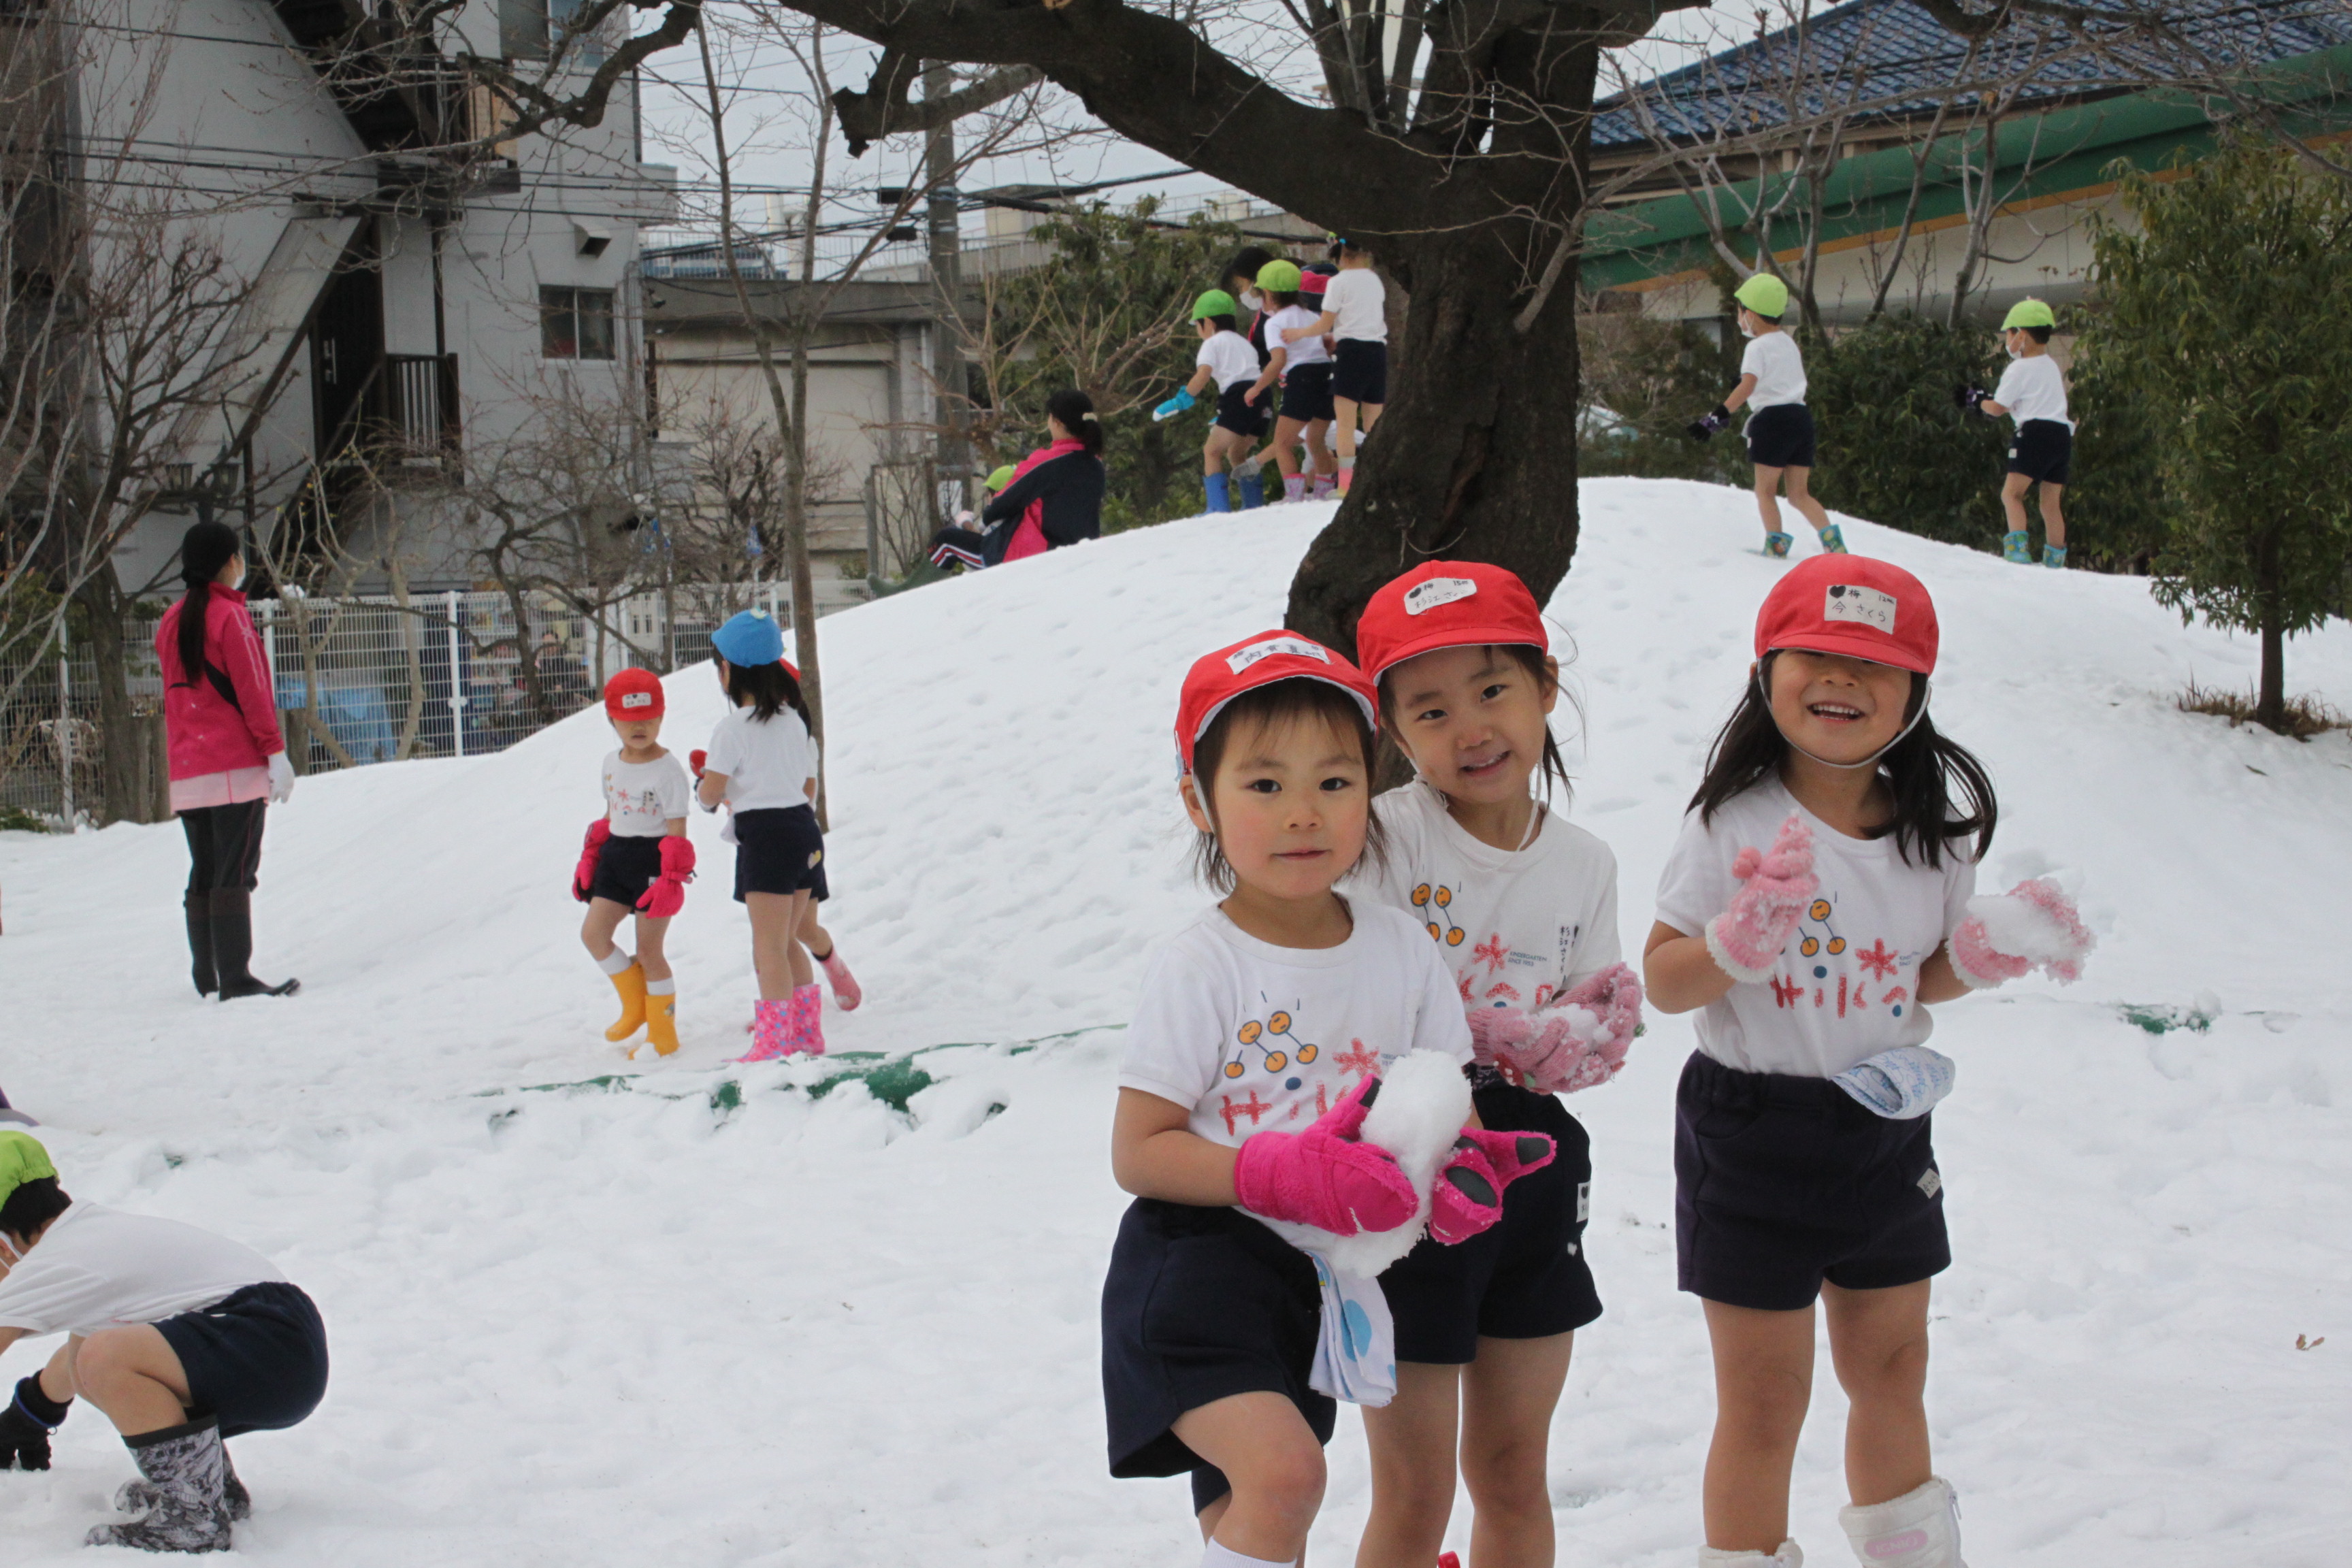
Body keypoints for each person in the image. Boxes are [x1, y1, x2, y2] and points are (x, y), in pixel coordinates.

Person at [1642, 555, 2092, 1567]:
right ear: (1768, 675)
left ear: (1915, 696)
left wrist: (1978, 958)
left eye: (1875, 666)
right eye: (1819, 657)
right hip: (1750, 1132)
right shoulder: (1733, 822)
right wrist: (1733, 947)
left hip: (1884, 1131)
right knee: (1764, 1399)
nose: (1843, 681)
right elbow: (1664, 980)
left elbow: (1913, 979)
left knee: (1893, 1364)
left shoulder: (1935, 839)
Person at [1101, 632, 1551, 1568]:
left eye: (1334, 783)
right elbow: (1139, 1149)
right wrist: (1275, 1171)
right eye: (1265, 785)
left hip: (1323, 1276)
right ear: (1199, 802)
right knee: (1287, 1478)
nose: (1303, 813)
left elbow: (1443, 1092)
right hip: (1200, 1261)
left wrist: (1466, 1161)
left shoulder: (1400, 946)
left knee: (1265, 1517)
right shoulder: (1203, 965)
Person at [1344, 561, 1644, 1568]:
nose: (1470, 727)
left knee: (1514, 1472)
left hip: (1534, 1171)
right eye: (1430, 710)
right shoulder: (1382, 840)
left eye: (1492, 690)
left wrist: (1586, 1035)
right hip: (1412, 1172)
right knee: (1416, 1491)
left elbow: (1591, 1015)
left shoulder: (1587, 863)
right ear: (1393, 730)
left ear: (1545, 687)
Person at [0, 1130, 329, 1552]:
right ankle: (214, 1494)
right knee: (93, 1350)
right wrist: (28, 1416)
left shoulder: (56, 1261)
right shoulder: (89, 1235)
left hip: (262, 1337)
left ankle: (194, 1517)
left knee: (105, 1356)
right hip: (280, 1341)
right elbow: (73, 1359)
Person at [153, 520, 298, 1000]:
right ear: (228, 563)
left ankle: (208, 975)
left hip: (188, 770)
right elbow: (253, 691)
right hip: (234, 766)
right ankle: (236, 976)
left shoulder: (171, 621)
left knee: (206, 870)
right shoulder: (230, 617)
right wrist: (274, 752)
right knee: (235, 871)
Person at [696, 610, 828, 1061]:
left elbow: (712, 790)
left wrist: (705, 794)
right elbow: (799, 780)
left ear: (728, 671)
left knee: (768, 946)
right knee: (787, 940)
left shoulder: (731, 729)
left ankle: (774, 1041)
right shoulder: (794, 721)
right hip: (802, 831)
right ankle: (806, 1032)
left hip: (767, 837)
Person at [572, 668, 694, 1058]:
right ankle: (636, 1007)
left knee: (650, 950)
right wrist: (592, 853)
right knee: (594, 934)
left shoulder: (668, 769)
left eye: (649, 719)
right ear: (613, 720)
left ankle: (662, 1032)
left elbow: (677, 830)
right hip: (616, 858)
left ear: (662, 718)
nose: (639, 727)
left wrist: (671, 877)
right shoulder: (611, 762)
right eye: (628, 720)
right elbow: (611, 813)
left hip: (652, 862)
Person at [1687, 274, 1846, 559]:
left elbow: (1747, 387)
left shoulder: (1756, 347)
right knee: (1800, 494)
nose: (1739, 320)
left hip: (1772, 422)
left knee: (1765, 491)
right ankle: (1833, 544)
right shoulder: (1787, 343)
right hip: (1801, 419)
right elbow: (1781, 379)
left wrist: (1715, 418)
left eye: (1739, 313)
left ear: (1749, 313)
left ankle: (1775, 548)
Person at [927, 391, 1108, 568]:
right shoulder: (1095, 465)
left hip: (1029, 557)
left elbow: (1002, 503)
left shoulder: (1046, 463)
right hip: (1079, 555)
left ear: (1057, 422)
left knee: (944, 542)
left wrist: (983, 521)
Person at [1958, 299, 2072, 568]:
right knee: (2050, 504)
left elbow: (1997, 408)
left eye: (2009, 333)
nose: (2007, 340)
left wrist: (1975, 400)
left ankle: (2018, 554)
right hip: (2061, 436)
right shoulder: (2051, 366)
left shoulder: (2018, 368)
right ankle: (2056, 559)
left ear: (2021, 335)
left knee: (2011, 495)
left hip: (2033, 434)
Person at [1281, 238, 1385, 494]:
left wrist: (1298, 334)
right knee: (1375, 425)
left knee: (1346, 425)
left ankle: (1348, 486)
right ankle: (1376, 481)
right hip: (1378, 352)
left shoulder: (1338, 282)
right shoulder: (1375, 280)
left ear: (1342, 257)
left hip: (1350, 353)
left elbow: (1324, 325)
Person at [1155, 291, 1269, 514]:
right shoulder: (1244, 343)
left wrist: (1183, 399)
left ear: (1207, 322)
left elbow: (1204, 374)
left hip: (1238, 397)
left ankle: (1217, 508)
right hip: (1262, 397)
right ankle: (1254, 504)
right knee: (1237, 453)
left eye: (1197, 326)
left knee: (1212, 450)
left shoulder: (1212, 343)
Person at [1244, 261, 1337, 504]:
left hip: (1301, 380)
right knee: (1316, 441)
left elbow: (1278, 361)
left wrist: (1256, 387)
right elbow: (1329, 343)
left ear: (1271, 295)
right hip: (1326, 376)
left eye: (1261, 294)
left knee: (1282, 444)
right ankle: (1324, 491)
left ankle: (1294, 496)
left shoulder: (1275, 323)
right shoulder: (1311, 315)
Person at [928, 463, 1019, 572]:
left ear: (997, 494)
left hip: (995, 559)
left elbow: (987, 544)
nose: (987, 497)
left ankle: (932, 584)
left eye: (989, 493)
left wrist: (967, 525)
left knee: (944, 539)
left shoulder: (1001, 514)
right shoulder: (1016, 512)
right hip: (1002, 556)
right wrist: (966, 525)